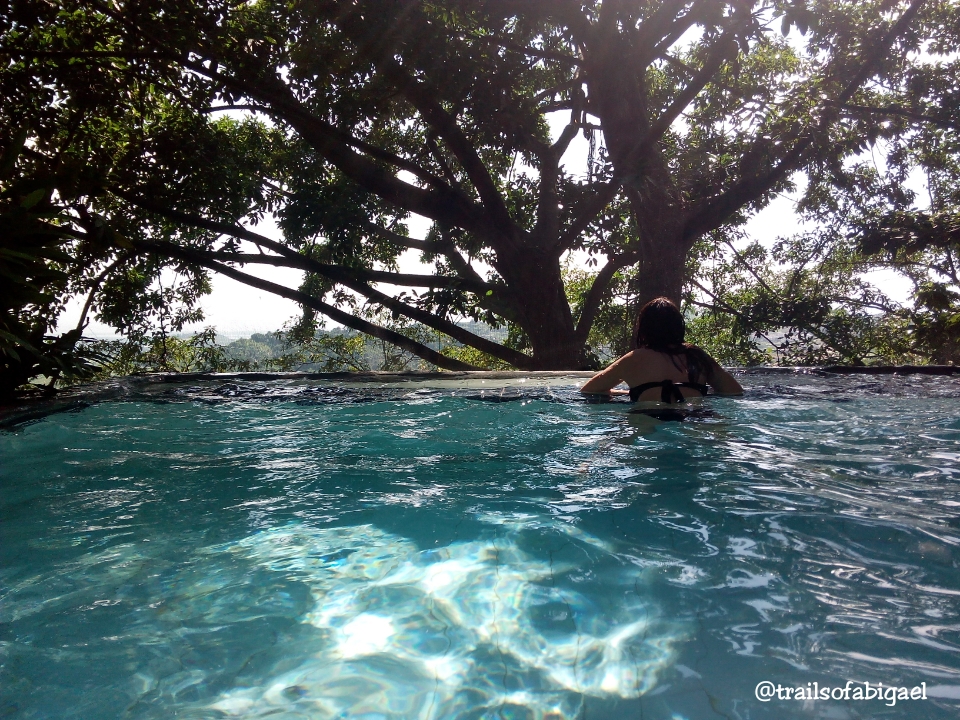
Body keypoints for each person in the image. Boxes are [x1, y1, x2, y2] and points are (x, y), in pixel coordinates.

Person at [580, 297, 742, 418]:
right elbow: (733, 391)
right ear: (679, 326)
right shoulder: (697, 356)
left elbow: (589, 390)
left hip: (646, 417)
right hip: (694, 416)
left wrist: (625, 393)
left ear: (643, 330)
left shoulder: (634, 359)